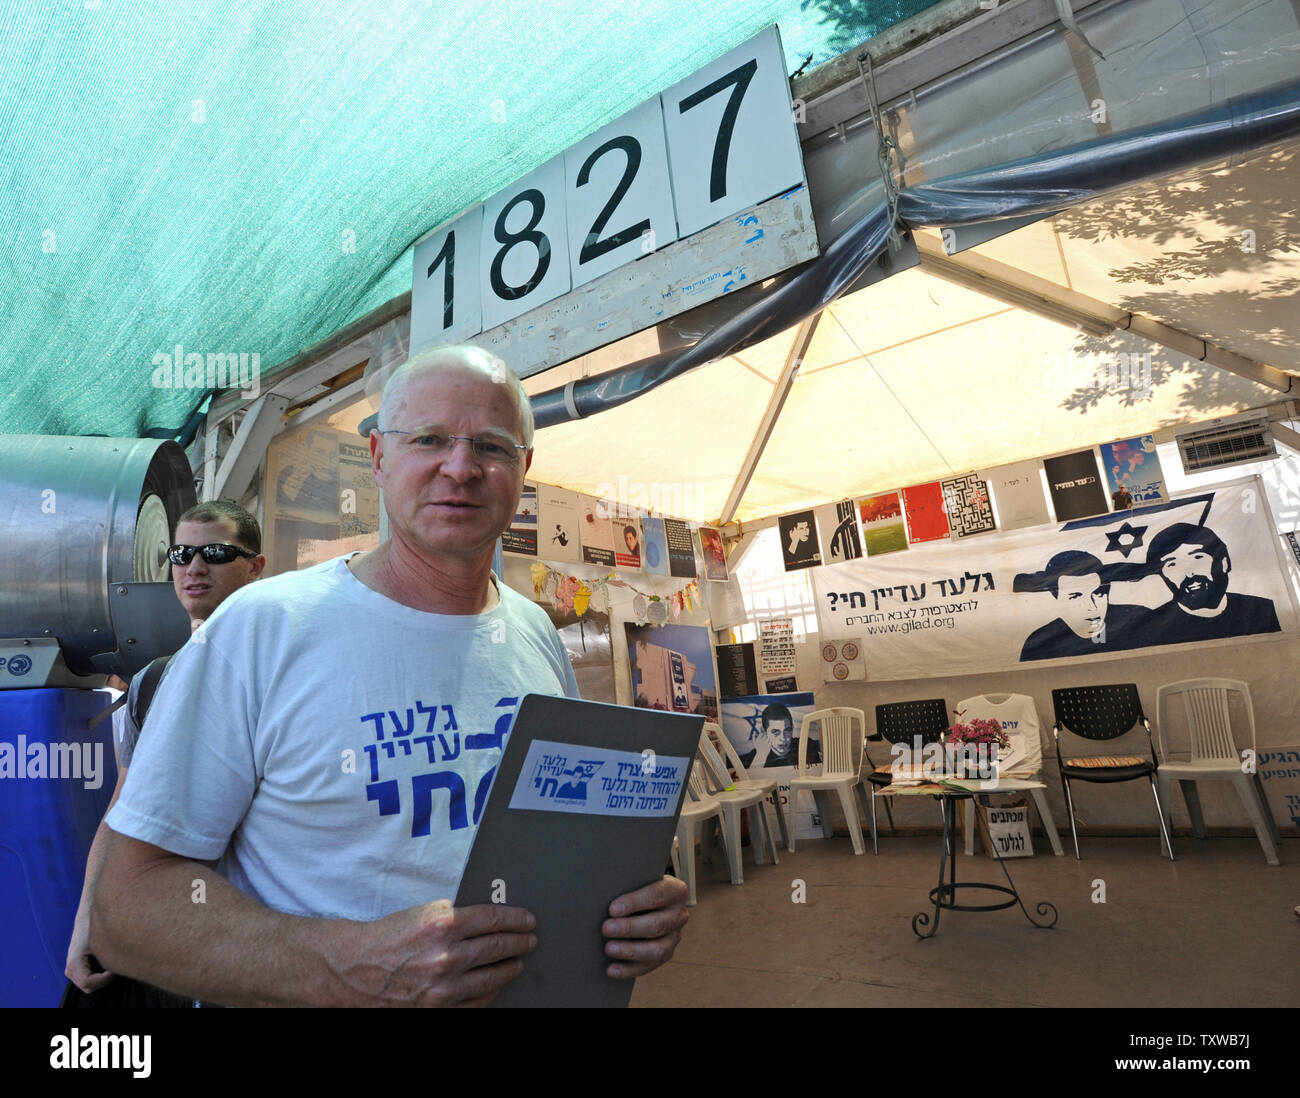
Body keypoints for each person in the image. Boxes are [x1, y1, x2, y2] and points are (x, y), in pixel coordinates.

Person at [92, 345, 688, 1007]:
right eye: (428, 439)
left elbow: (565, 835)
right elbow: (126, 909)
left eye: (490, 446)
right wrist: (342, 965)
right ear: (378, 457)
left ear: (522, 469)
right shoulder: (260, 629)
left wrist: (636, 904)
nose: (459, 468)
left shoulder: (533, 631)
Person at [65, 501, 265, 999]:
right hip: (166, 934)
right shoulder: (152, 681)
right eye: (182, 553)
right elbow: (123, 808)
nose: (194, 567)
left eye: (215, 553)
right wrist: (90, 917)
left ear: (256, 566)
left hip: (259, 938)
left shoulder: (284, 675)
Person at [1137, 523, 1280, 643]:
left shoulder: (1264, 610)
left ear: (1224, 563)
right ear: (1162, 576)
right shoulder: (1152, 630)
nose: (1189, 573)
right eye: (1172, 564)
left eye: (1198, 557)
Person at [1017, 551, 1150, 661]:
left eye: (1098, 593)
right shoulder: (1039, 643)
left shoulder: (1138, 620)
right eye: (1075, 596)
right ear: (1056, 598)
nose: (1091, 607)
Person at [739, 704, 819, 769]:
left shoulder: (807, 745)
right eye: (775, 732)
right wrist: (761, 755)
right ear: (764, 732)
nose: (783, 738)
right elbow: (750, 786)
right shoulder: (754, 757)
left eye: (787, 730)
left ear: (792, 728)